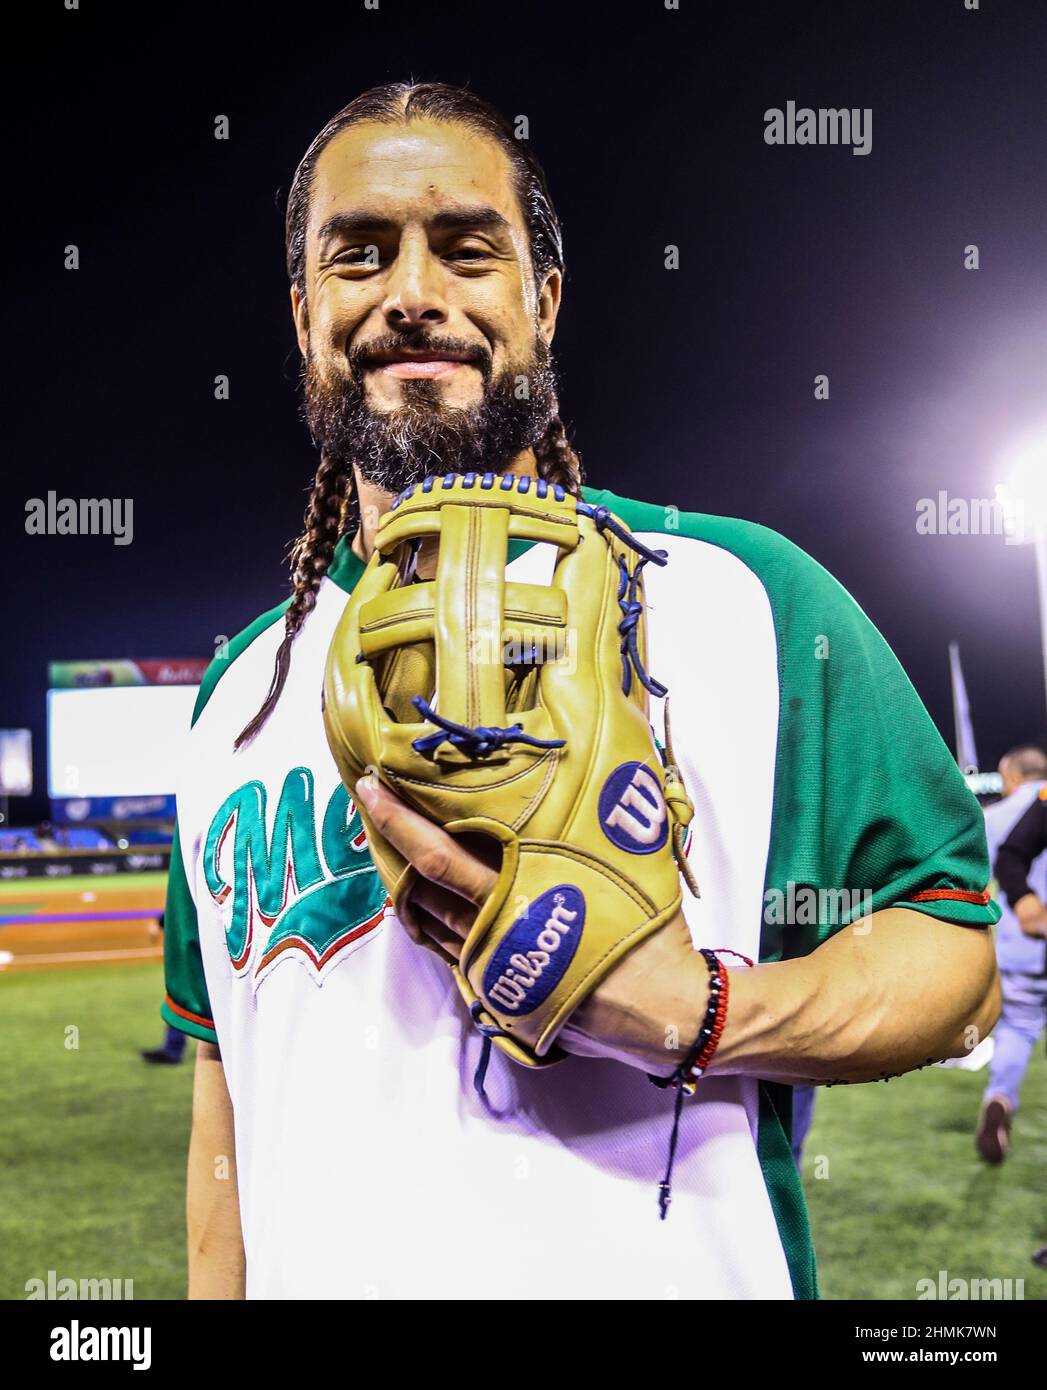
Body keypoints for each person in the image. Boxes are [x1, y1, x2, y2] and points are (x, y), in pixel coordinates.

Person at [161, 82, 1000, 1301]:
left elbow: (958, 964)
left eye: (466, 248)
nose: (411, 292)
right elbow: (224, 1119)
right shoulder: (232, 700)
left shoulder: (749, 599)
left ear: (542, 303)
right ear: (304, 315)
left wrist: (699, 1013)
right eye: (358, 254)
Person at [976, 747, 1047, 1162]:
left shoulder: (995, 818)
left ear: (1013, 778)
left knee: (1018, 1028)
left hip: (1019, 945)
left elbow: (975, 883)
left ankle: (1000, 1096)